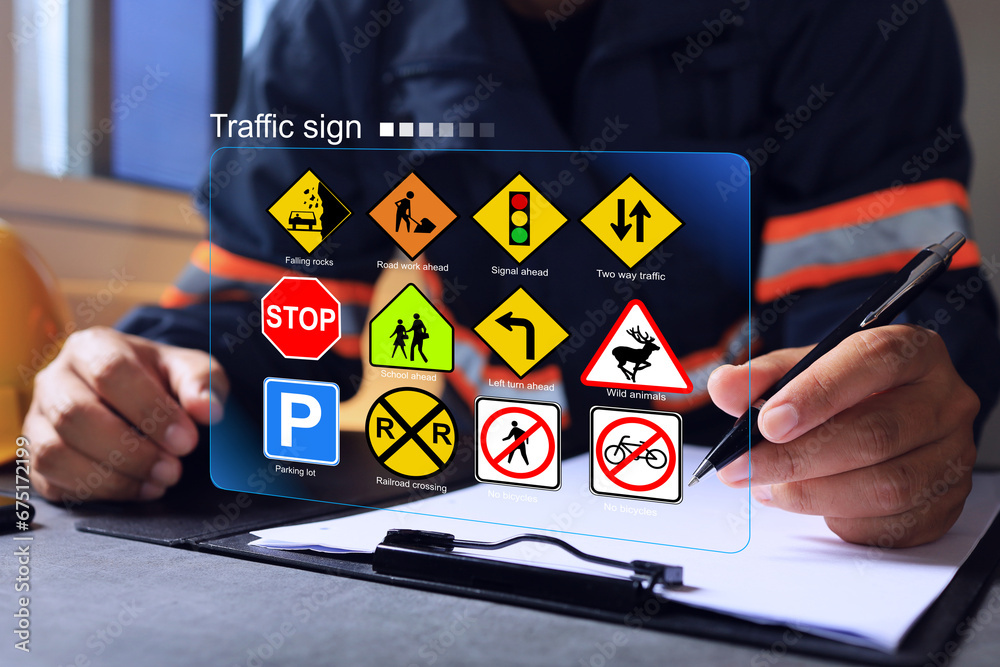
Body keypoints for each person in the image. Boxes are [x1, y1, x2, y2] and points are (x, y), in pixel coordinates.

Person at [25, 0, 1000, 549]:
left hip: (753, 522)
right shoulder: (332, 24)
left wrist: (897, 425)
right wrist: (134, 388)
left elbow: (893, 320)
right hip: (453, 509)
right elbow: (261, 310)